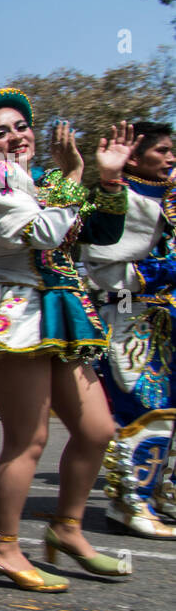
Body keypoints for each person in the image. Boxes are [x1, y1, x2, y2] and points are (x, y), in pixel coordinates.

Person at [0, 89, 134, 590]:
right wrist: (74, 178)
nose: (16, 136)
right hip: (16, 314)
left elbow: (102, 230)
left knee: (97, 430)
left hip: (62, 313)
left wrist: (110, 177)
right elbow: (46, 233)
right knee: (28, 439)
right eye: (0, 132)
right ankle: (3, 546)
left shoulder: (46, 180)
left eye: (21, 126)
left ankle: (66, 529)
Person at [80, 120, 176, 539]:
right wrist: (166, 271)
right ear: (135, 155)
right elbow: (102, 266)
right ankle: (129, 505)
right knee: (144, 412)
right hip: (129, 318)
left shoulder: (167, 197)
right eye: (162, 151)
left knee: (168, 415)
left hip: (165, 322)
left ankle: (157, 495)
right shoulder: (122, 199)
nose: (171, 158)